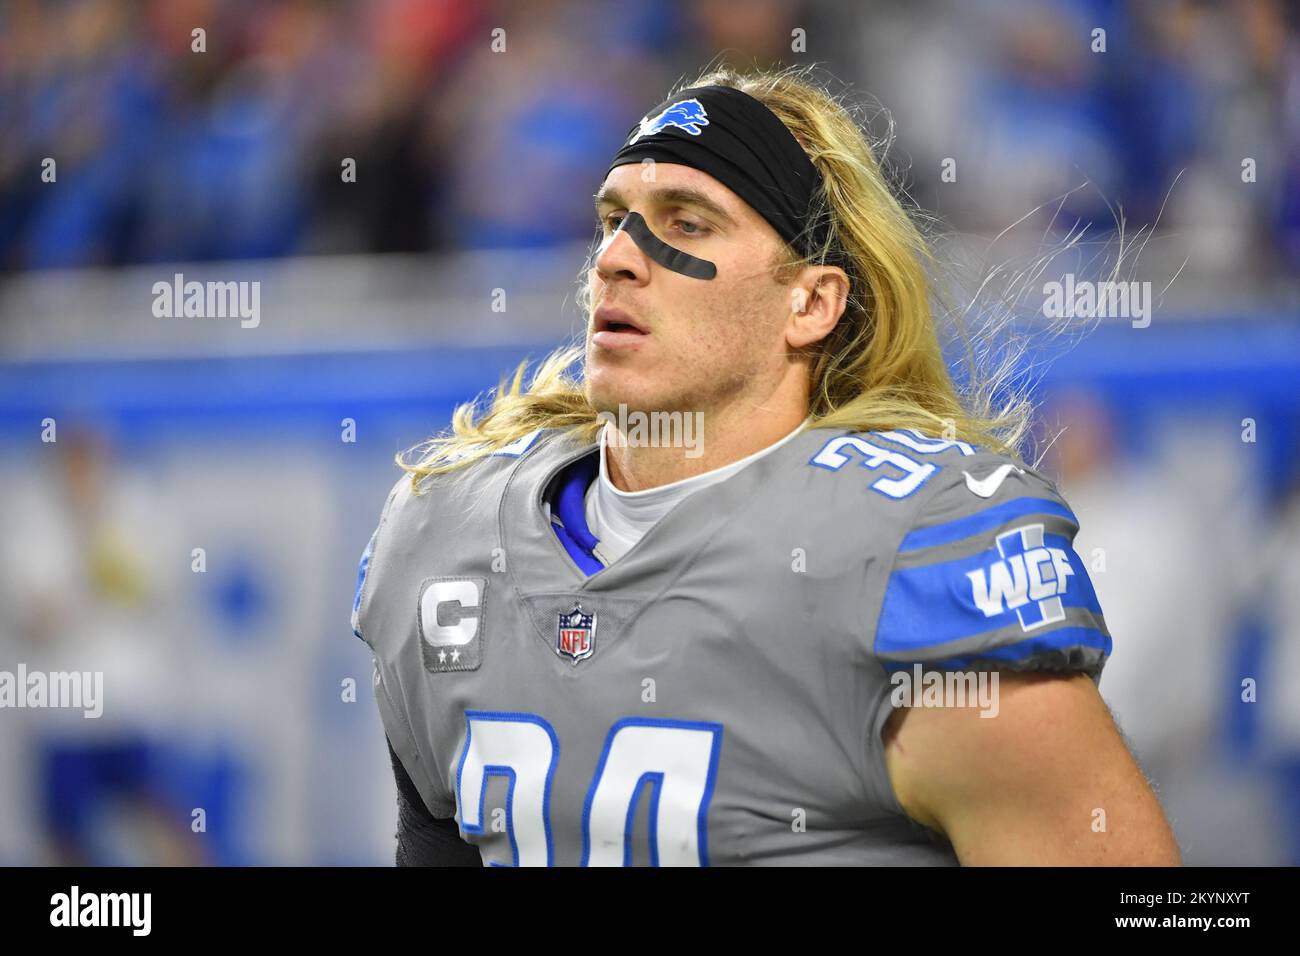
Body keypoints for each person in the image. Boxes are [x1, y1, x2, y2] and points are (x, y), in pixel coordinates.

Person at [351, 65, 1180, 866]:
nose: (615, 258)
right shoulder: (445, 530)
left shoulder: (909, 553)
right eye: (613, 219)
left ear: (811, 303)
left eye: (686, 223)